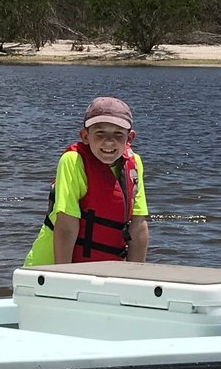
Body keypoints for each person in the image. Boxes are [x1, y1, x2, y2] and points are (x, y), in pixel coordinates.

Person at [24, 96, 149, 267]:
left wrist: (136, 277)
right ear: (85, 136)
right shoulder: (73, 161)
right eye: (100, 133)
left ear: (130, 138)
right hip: (50, 267)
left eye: (118, 134)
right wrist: (62, 276)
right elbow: (67, 226)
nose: (108, 141)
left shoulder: (135, 164)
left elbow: (138, 226)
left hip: (103, 270)